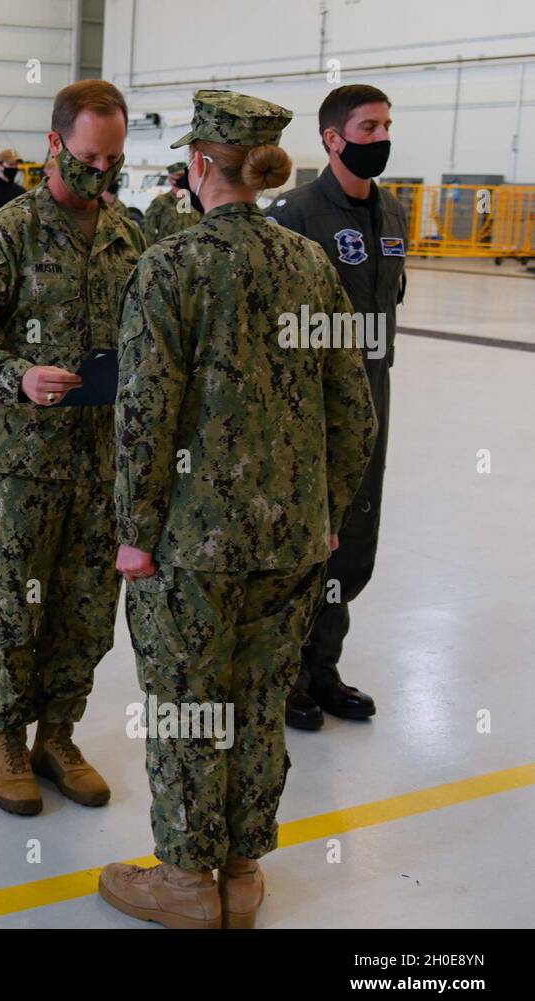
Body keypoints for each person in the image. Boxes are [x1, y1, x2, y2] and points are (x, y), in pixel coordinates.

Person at [100, 90, 376, 930]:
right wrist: (323, 510)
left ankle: (187, 880)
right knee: (258, 705)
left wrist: (133, 536)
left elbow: (146, 416)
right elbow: (351, 409)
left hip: (192, 543)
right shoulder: (309, 264)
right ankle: (245, 872)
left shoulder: (172, 266)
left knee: (191, 702)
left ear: (198, 168)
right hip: (290, 540)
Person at [0, 80, 146, 817]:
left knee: (88, 609)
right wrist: (17, 376)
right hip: (20, 466)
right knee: (15, 610)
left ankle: (58, 735)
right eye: (90, 156)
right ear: (55, 145)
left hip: (103, 464)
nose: (102, 172)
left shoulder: (131, 234)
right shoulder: (8, 233)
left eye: (114, 159)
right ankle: (5, 741)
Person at [271, 84, 405, 731]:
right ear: (332, 138)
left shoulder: (395, 215)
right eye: (368, 126)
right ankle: (285, 675)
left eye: (385, 125)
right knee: (304, 543)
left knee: (351, 543)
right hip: (310, 409)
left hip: (372, 401)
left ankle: (323, 668)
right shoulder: (294, 216)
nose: (380, 137)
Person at [141, 161, 202, 244]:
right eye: (179, 176)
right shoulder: (161, 201)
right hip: (167, 251)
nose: (183, 179)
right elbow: (148, 228)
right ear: (170, 179)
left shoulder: (196, 201)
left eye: (185, 176)